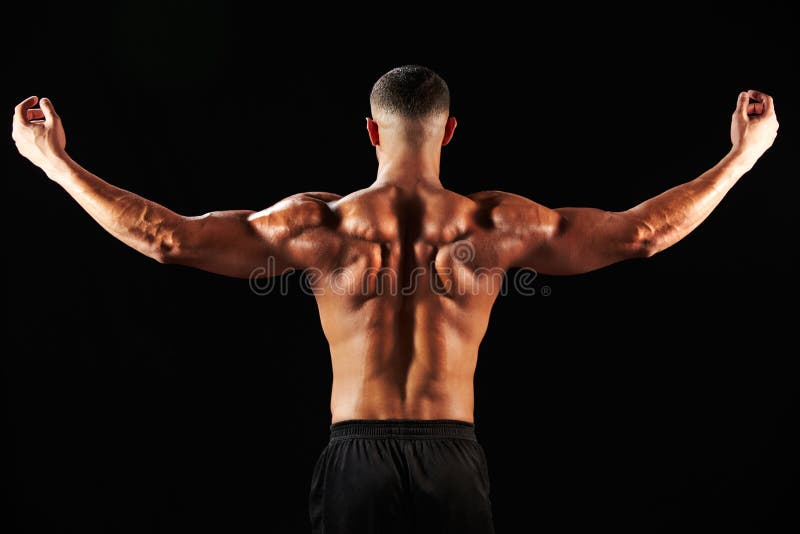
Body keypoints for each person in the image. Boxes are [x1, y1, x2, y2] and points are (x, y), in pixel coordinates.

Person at [12, 65, 778, 533]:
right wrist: (742, 159)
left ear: (371, 133)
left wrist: (56, 165)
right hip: (453, 454)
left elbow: (168, 238)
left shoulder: (318, 224)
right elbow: (640, 234)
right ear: (449, 133)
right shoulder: (496, 223)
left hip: (356, 458)